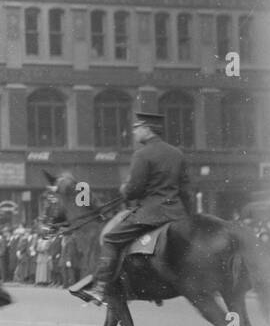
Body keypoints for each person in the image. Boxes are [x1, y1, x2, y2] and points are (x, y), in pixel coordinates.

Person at [70, 111, 193, 305]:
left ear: (147, 130)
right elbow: (186, 191)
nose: (134, 132)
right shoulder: (177, 154)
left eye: (137, 128)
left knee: (110, 239)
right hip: (176, 213)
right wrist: (188, 216)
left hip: (151, 214)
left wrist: (124, 189)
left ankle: (101, 287)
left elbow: (134, 190)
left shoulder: (142, 154)